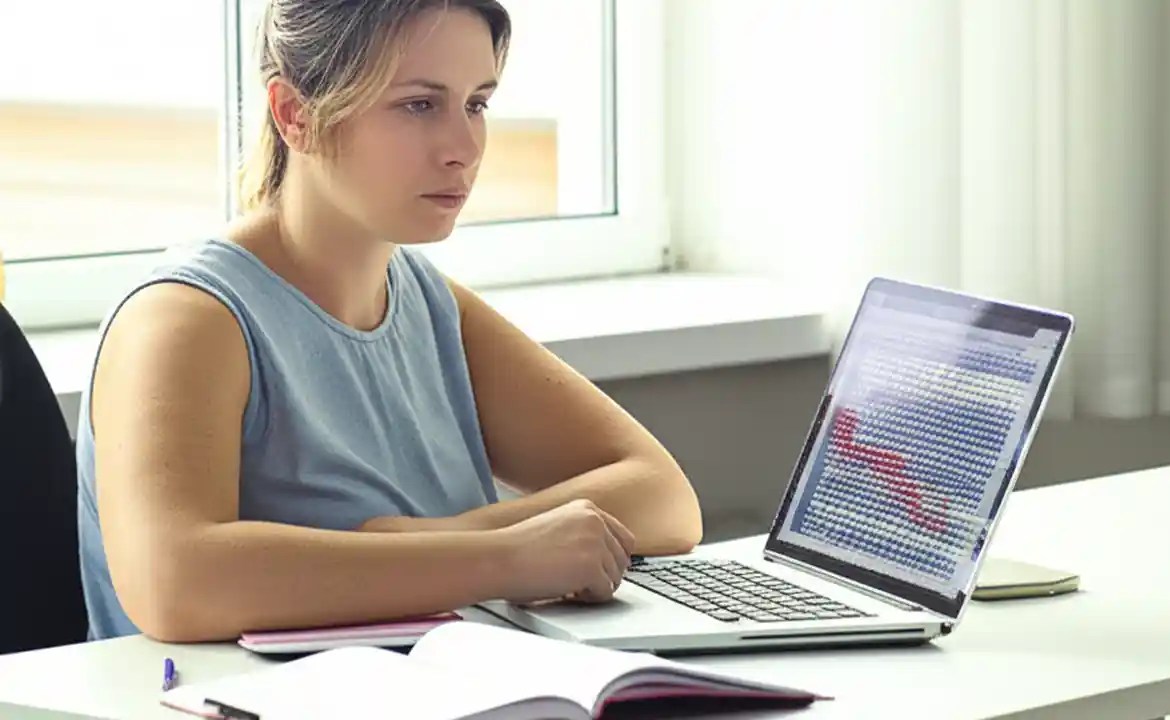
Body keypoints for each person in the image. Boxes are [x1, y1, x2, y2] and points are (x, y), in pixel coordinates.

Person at [76, 0, 702, 643]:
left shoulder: (431, 305)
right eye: (419, 105)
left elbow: (663, 496)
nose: (463, 149)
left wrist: (451, 539)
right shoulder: (185, 319)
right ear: (295, 114)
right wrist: (507, 558)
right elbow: (174, 584)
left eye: (476, 104)